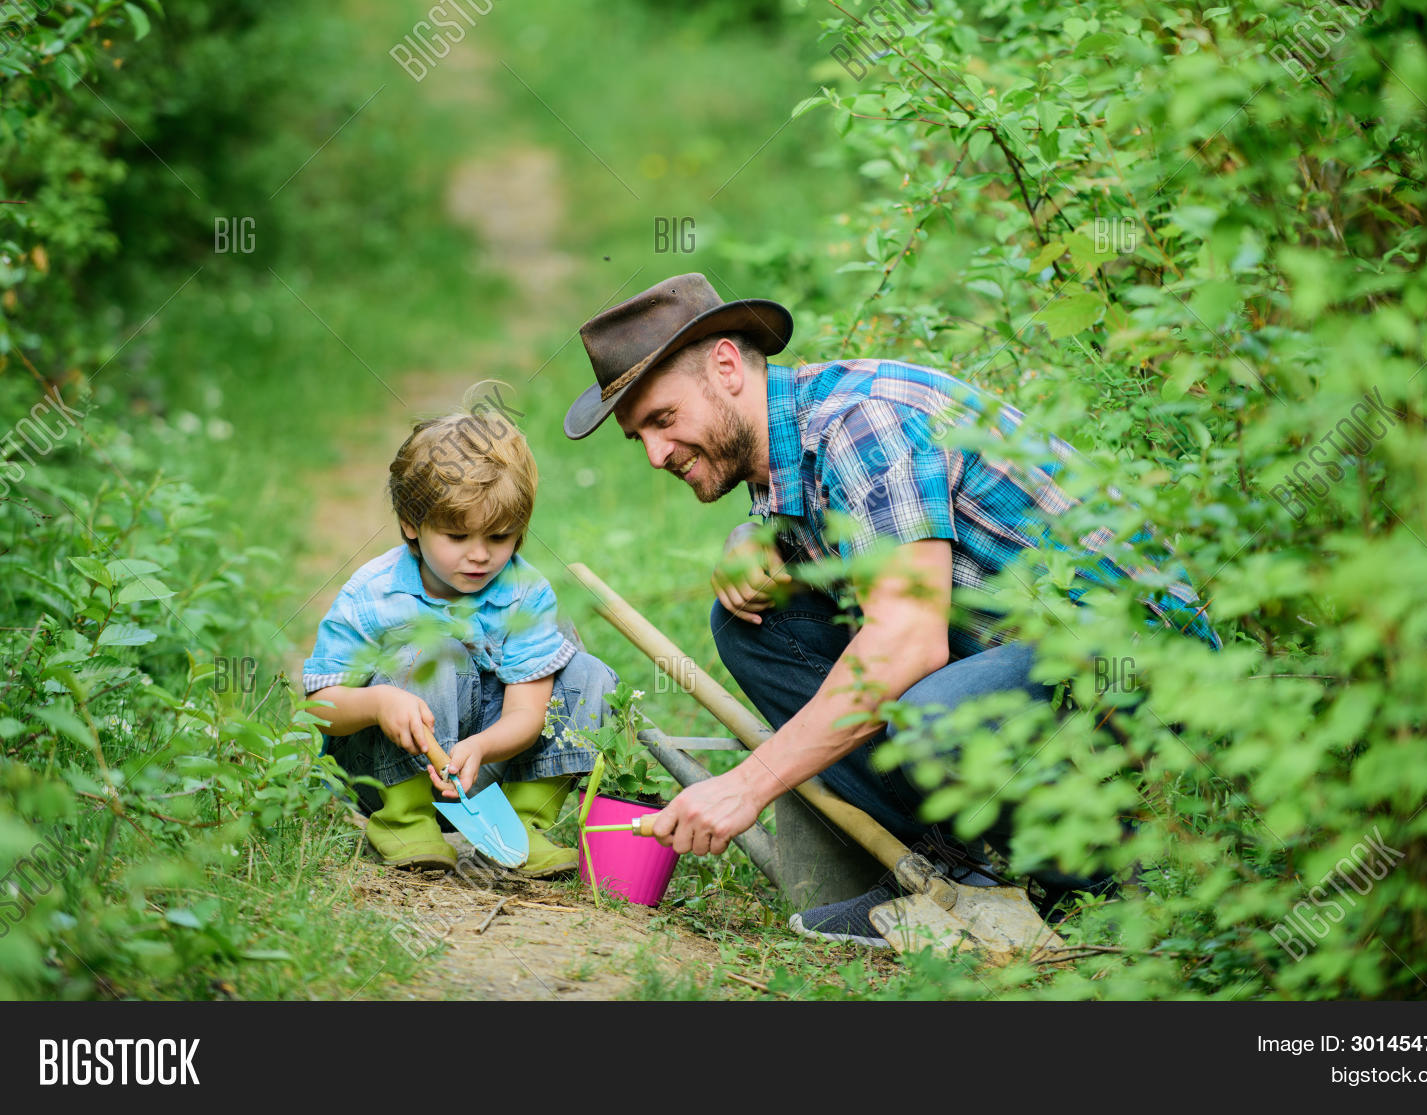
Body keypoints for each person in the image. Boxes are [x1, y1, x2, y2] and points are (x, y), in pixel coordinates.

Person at [564, 273, 1220, 943]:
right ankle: (951, 869)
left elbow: (907, 641)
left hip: (1139, 663)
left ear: (727, 366)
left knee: (934, 718)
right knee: (753, 625)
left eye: (664, 420)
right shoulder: (789, 446)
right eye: (638, 437)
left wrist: (747, 785)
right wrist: (753, 535)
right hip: (1023, 659)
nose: (656, 454)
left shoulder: (863, 422)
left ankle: (1114, 884)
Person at [304, 395, 619, 876]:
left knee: (587, 672)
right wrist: (378, 703)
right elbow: (319, 707)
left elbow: (527, 712)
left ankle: (520, 825)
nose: (480, 555)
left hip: (482, 767)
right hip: (385, 772)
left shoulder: (524, 593)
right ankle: (404, 821)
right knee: (435, 648)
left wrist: (483, 747)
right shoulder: (374, 594)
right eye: (457, 537)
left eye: (499, 537)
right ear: (411, 524)